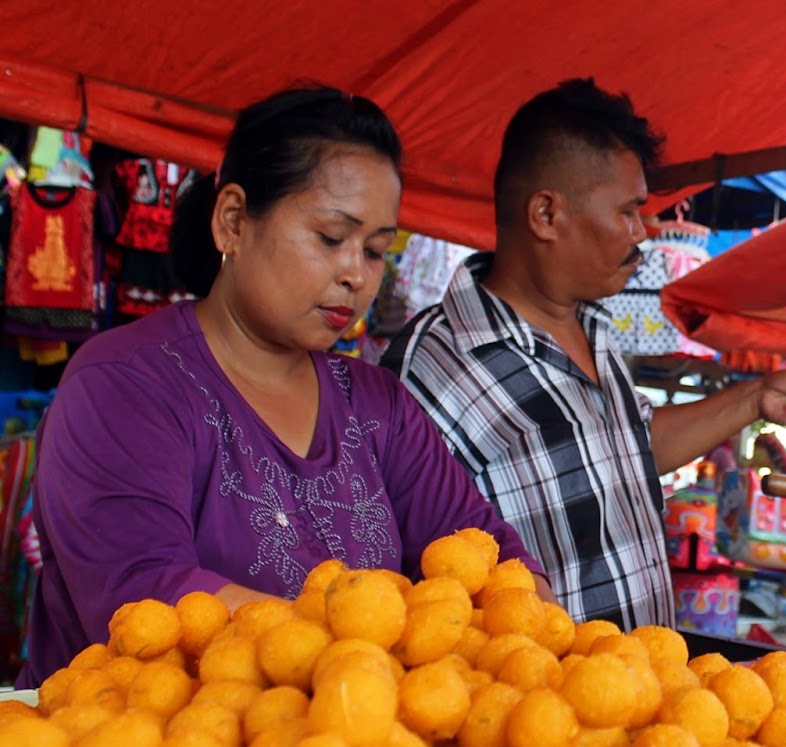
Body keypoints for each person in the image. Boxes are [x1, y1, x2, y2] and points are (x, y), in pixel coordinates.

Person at [20, 88, 546, 686]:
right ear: (234, 221)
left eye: (375, 251)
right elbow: (146, 603)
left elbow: (494, 563)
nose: (356, 273)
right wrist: (363, 657)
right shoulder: (123, 387)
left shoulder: (381, 407)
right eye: (330, 237)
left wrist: (523, 617)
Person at [384, 79, 786, 631]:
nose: (642, 233)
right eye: (628, 212)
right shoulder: (433, 363)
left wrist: (755, 398)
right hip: (530, 705)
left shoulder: (597, 331)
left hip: (644, 689)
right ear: (547, 215)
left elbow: (633, 447)